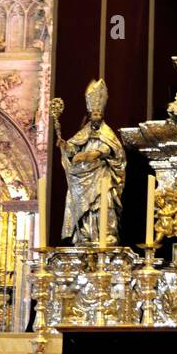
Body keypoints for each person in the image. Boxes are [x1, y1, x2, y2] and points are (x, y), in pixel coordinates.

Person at [54, 79, 126, 246]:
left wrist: (92, 155)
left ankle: (106, 234)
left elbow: (114, 151)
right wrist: (65, 145)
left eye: (100, 114)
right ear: (90, 114)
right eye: (94, 114)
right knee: (85, 207)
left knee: (103, 203)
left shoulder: (107, 133)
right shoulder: (83, 133)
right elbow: (73, 148)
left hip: (102, 176)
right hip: (83, 179)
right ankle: (85, 235)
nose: (97, 117)